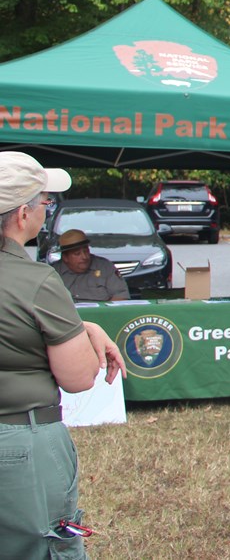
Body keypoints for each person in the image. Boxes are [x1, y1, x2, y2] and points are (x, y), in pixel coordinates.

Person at [0, 152, 124, 560]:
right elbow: (78, 377)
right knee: (46, 544)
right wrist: (84, 332)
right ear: (23, 214)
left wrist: (80, 326)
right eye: (44, 202)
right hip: (20, 441)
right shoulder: (36, 280)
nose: (46, 209)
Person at [51, 229, 129, 302]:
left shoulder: (105, 267)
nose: (84, 257)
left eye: (86, 251)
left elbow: (121, 296)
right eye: (77, 254)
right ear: (65, 258)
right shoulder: (52, 273)